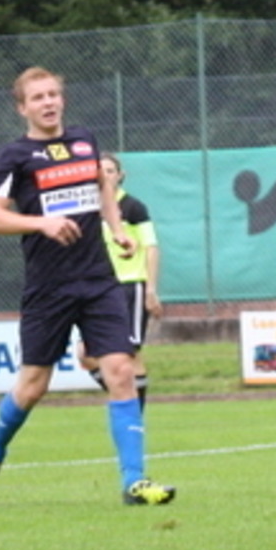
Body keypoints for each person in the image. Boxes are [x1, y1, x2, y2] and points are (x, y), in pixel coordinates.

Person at [0, 68, 174, 508]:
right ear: (22, 107)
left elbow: (102, 186)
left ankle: (134, 482)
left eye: (54, 94)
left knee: (121, 371)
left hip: (98, 280)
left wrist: (115, 228)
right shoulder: (15, 156)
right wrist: (41, 222)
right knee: (33, 385)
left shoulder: (84, 141)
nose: (49, 102)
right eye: (38, 97)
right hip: (49, 287)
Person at [81, 153, 161, 408]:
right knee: (85, 354)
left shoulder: (132, 207)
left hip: (129, 286)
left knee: (129, 353)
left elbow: (151, 247)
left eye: (111, 170)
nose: (105, 175)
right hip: (100, 288)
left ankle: (133, 416)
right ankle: (127, 398)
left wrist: (150, 290)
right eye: (100, 171)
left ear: (120, 175)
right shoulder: (88, 210)